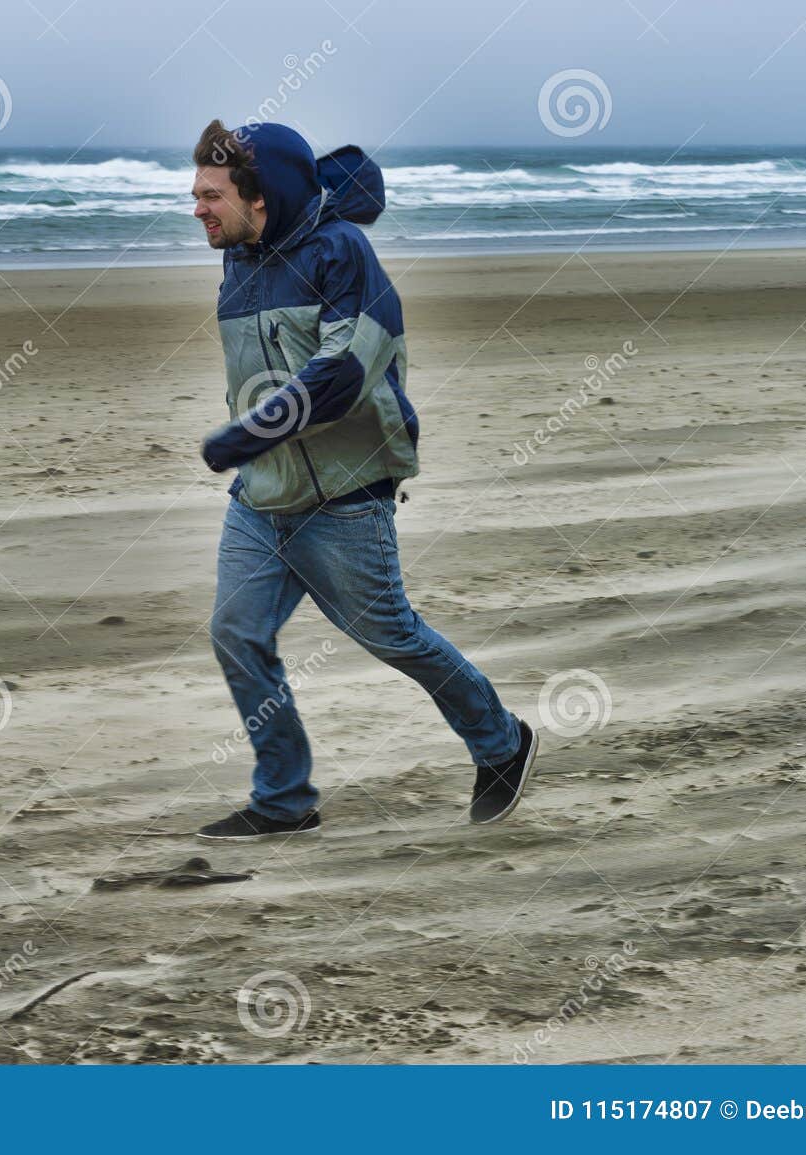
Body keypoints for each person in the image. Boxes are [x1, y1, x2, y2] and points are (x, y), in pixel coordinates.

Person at [190, 119, 538, 841]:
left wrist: (244, 434)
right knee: (236, 632)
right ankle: (284, 798)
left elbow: (345, 372)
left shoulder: (344, 253)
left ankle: (502, 742)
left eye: (210, 196)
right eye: (194, 194)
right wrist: (252, 446)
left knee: (393, 636)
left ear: (261, 198)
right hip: (261, 498)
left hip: (344, 497)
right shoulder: (239, 257)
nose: (197, 209)